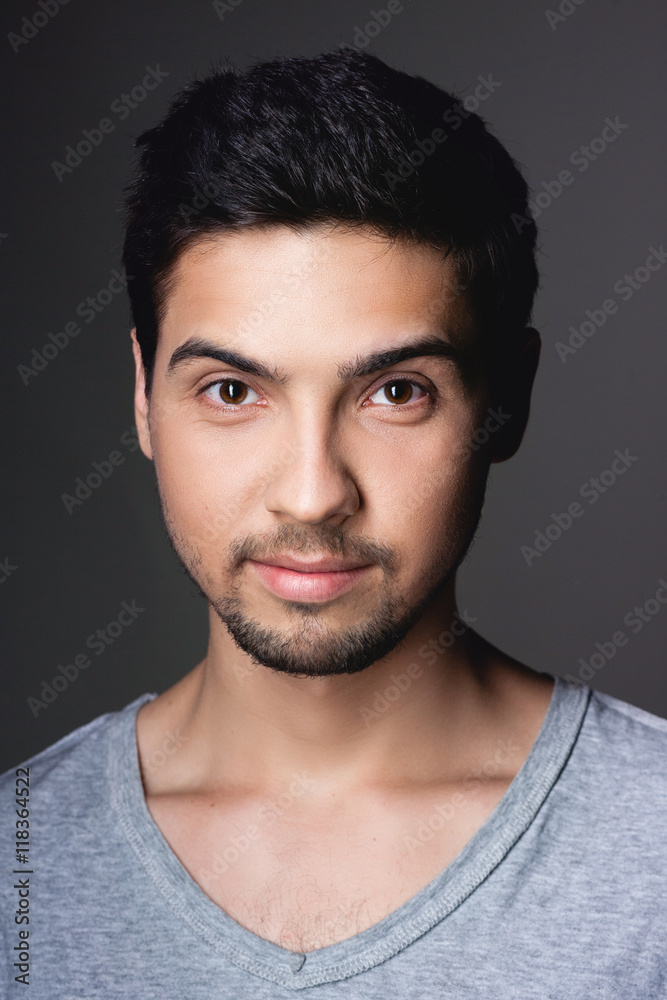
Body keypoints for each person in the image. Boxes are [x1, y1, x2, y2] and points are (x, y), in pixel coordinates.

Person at [2, 49, 666, 998]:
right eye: (232, 391)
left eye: (395, 392)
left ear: (505, 401)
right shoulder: (20, 867)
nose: (313, 495)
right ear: (144, 398)